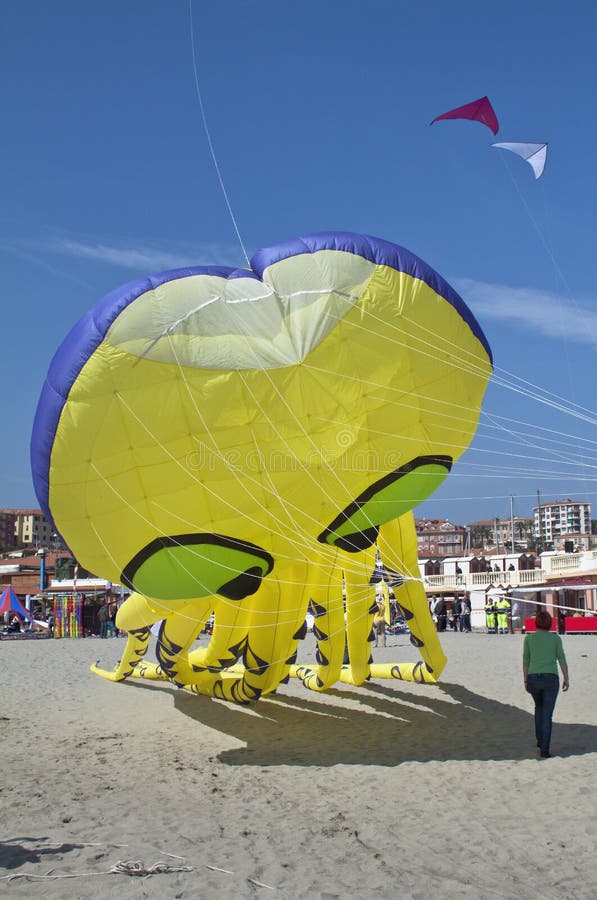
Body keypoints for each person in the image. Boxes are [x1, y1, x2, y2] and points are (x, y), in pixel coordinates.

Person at [523, 610, 569, 758]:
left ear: (536, 623)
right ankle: (545, 749)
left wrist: (525, 679)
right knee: (547, 714)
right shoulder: (555, 639)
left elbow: (526, 661)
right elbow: (561, 659)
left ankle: (540, 740)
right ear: (550, 623)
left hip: (533, 677)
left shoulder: (529, 639)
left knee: (539, 708)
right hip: (550, 678)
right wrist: (566, 677)